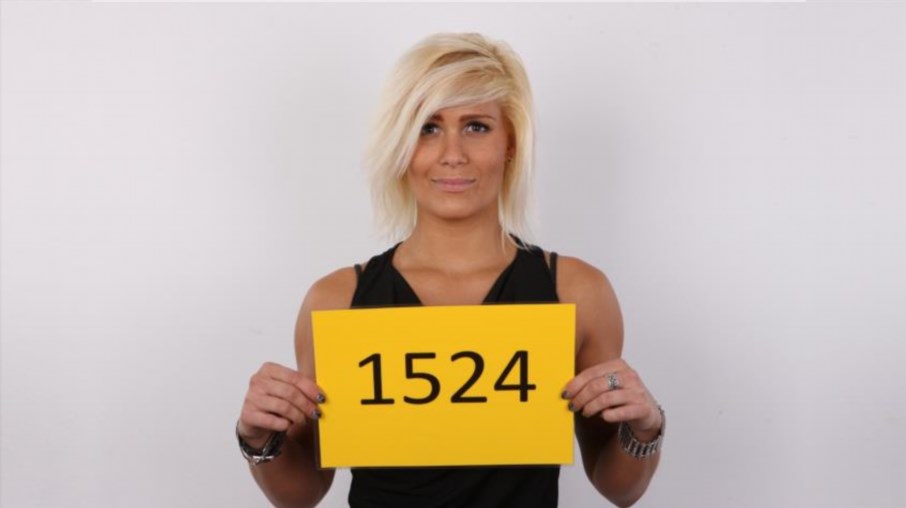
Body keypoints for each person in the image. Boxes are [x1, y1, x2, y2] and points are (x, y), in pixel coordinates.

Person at [236, 32, 664, 508]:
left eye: (476, 126)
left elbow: (618, 486)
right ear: (400, 145)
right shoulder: (335, 301)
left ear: (510, 143)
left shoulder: (578, 292)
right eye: (428, 127)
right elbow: (301, 493)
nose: (452, 154)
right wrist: (258, 437)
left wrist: (645, 426)